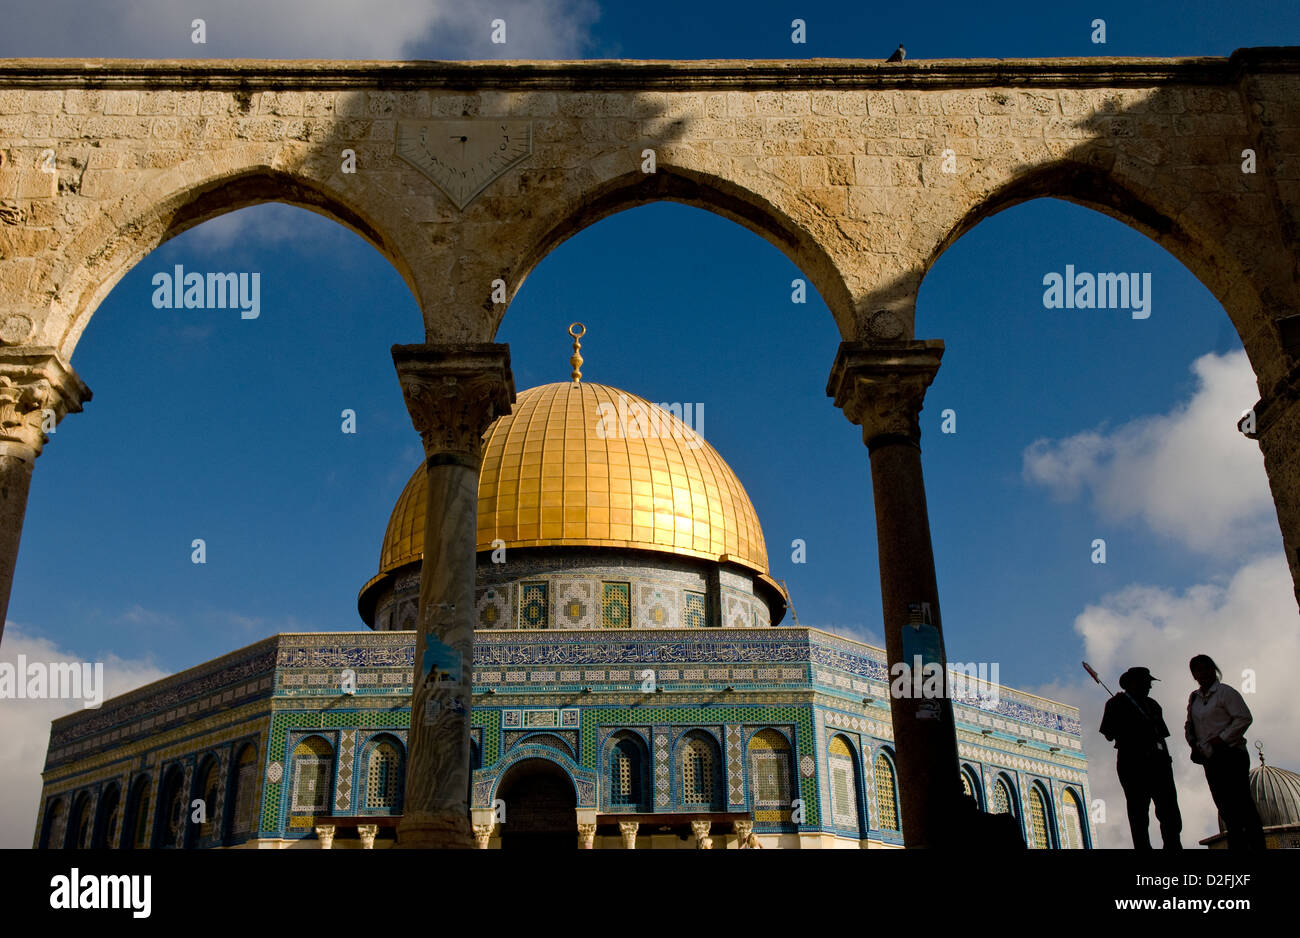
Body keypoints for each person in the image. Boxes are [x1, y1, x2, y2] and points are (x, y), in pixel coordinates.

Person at [1185, 654, 1265, 850]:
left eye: (1206, 669)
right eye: (1198, 671)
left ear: (1213, 671)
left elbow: (1244, 718)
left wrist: (1222, 738)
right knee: (1225, 809)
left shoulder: (1225, 693)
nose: (1202, 674)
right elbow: (1190, 725)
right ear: (1194, 675)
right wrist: (1194, 744)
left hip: (1231, 754)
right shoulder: (1194, 698)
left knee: (1243, 805)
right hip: (1210, 759)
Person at [1099, 666, 1182, 849]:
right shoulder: (1115, 704)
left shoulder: (1153, 705)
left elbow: (1161, 734)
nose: (1149, 687)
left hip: (1159, 763)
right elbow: (1108, 734)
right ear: (1132, 684)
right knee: (1138, 811)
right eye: (1146, 683)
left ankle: (1173, 845)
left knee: (1169, 810)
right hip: (1133, 764)